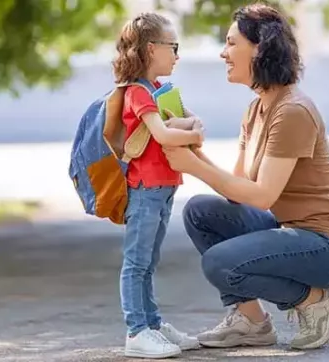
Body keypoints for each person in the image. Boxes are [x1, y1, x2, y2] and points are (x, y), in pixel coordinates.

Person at [163, 3, 329, 351]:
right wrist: (194, 149)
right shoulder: (256, 109)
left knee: (219, 262)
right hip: (293, 232)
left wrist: (192, 165)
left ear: (261, 48)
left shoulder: (292, 111)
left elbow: (262, 196)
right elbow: (237, 191)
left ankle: (315, 299)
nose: (223, 53)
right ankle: (251, 321)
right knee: (200, 211)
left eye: (231, 43)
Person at [112, 12, 205, 359]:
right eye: (173, 47)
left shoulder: (159, 91)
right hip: (146, 189)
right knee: (136, 263)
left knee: (148, 262)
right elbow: (166, 132)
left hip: (164, 188)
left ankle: (152, 324)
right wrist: (193, 132)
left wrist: (189, 124)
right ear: (152, 49)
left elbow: (187, 117)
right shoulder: (137, 92)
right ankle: (137, 332)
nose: (177, 55)